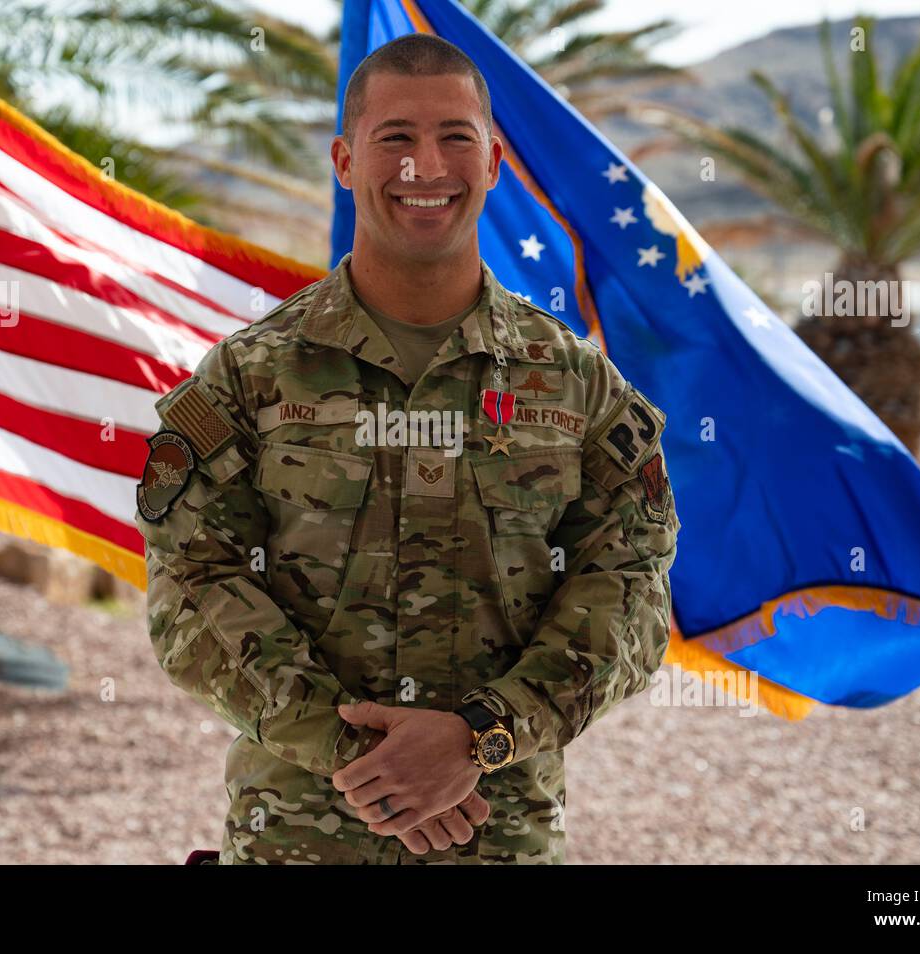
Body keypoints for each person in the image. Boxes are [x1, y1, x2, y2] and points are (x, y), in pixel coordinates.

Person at [136, 33, 679, 865]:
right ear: (345, 160)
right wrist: (367, 763)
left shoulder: (577, 387)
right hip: (295, 841)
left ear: (493, 161)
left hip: (500, 842)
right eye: (395, 138)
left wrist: (479, 739)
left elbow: (632, 594)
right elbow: (191, 589)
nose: (426, 166)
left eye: (454, 137)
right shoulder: (249, 376)